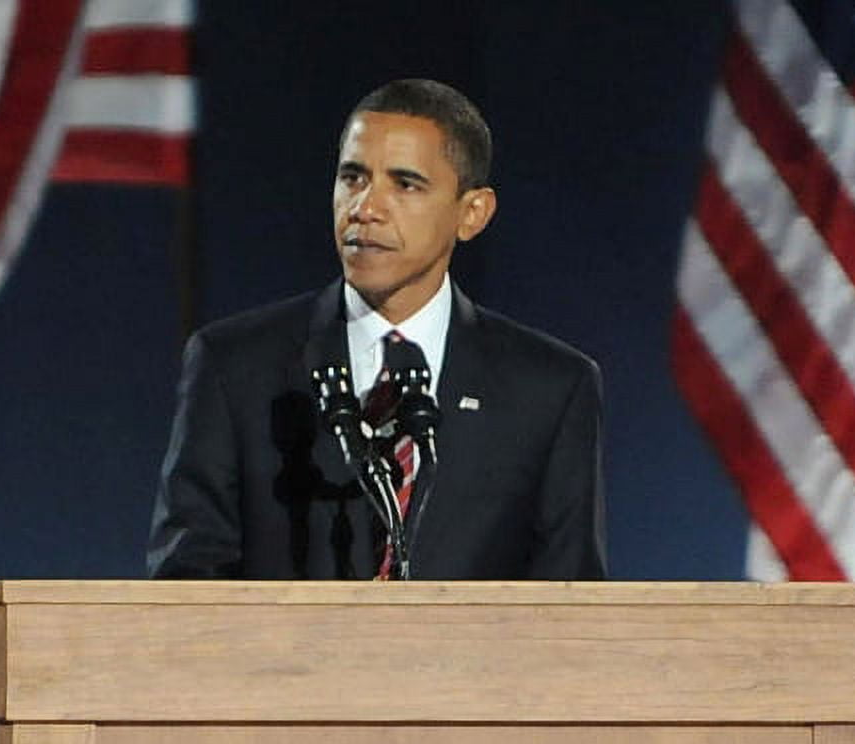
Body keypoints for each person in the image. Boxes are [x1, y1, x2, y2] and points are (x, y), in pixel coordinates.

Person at [146, 78, 606, 580]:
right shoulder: (233, 365)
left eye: (405, 184)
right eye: (353, 177)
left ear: (472, 213)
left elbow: (570, 607)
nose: (365, 208)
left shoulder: (550, 388)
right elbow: (185, 589)